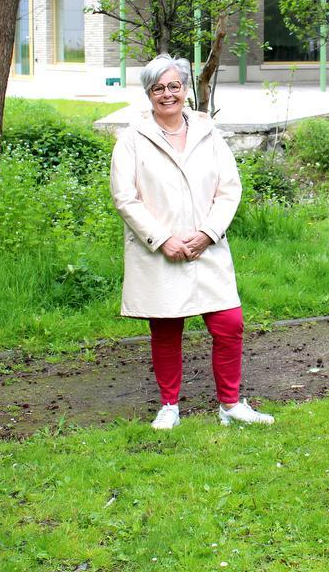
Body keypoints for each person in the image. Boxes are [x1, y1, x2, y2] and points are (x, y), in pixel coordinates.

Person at [109, 54, 273, 430]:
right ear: (148, 94)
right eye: (158, 88)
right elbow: (125, 197)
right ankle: (169, 406)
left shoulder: (208, 133)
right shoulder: (132, 139)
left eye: (174, 86)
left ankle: (230, 406)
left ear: (185, 89)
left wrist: (207, 234)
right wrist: (162, 239)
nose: (167, 94)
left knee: (229, 323)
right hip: (161, 252)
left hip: (207, 248)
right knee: (166, 329)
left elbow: (229, 189)